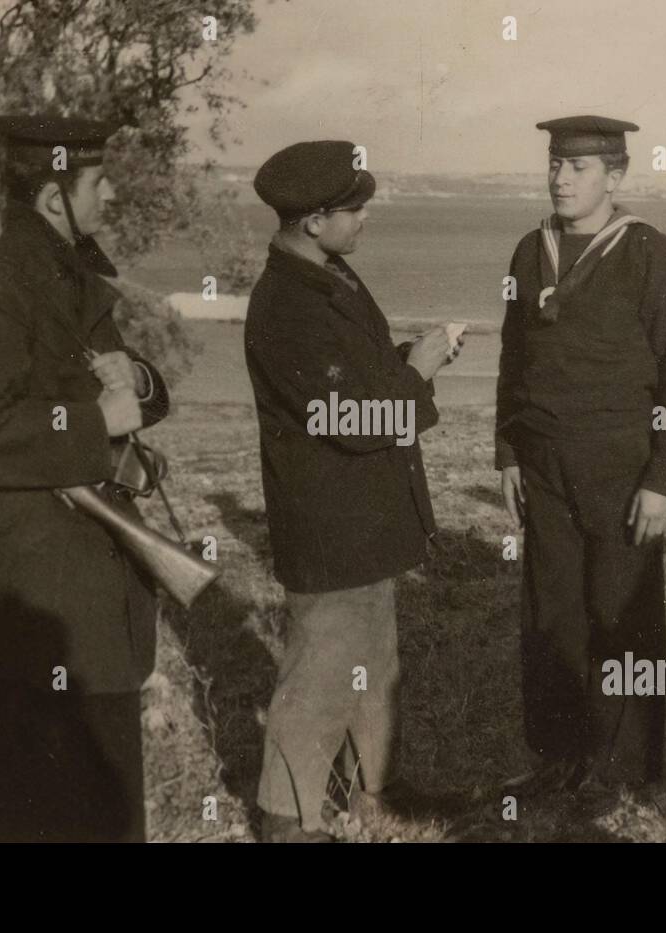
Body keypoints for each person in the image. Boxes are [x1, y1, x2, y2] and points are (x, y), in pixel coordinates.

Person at [0, 114, 169, 842]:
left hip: (88, 563)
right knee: (44, 783)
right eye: (98, 181)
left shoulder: (70, 271)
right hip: (41, 569)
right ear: (53, 198)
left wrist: (138, 382)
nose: (114, 193)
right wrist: (100, 423)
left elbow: (137, 392)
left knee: (98, 773)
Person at [244, 140, 463, 841]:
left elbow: (353, 385)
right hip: (328, 521)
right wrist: (419, 370)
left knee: (372, 657)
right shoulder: (288, 303)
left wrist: (402, 363)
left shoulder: (326, 276)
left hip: (360, 516)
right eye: (353, 208)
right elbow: (345, 417)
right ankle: (288, 819)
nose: (365, 217)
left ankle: (378, 791)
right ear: (312, 220)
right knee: (320, 674)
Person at [495, 115, 666, 796]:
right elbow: (512, 358)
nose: (559, 177)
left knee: (621, 613)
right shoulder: (531, 251)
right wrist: (506, 454)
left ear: (615, 177)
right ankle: (560, 753)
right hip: (544, 467)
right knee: (552, 612)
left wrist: (664, 480)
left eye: (578, 168)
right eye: (555, 164)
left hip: (621, 468)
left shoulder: (651, 254)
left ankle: (620, 771)